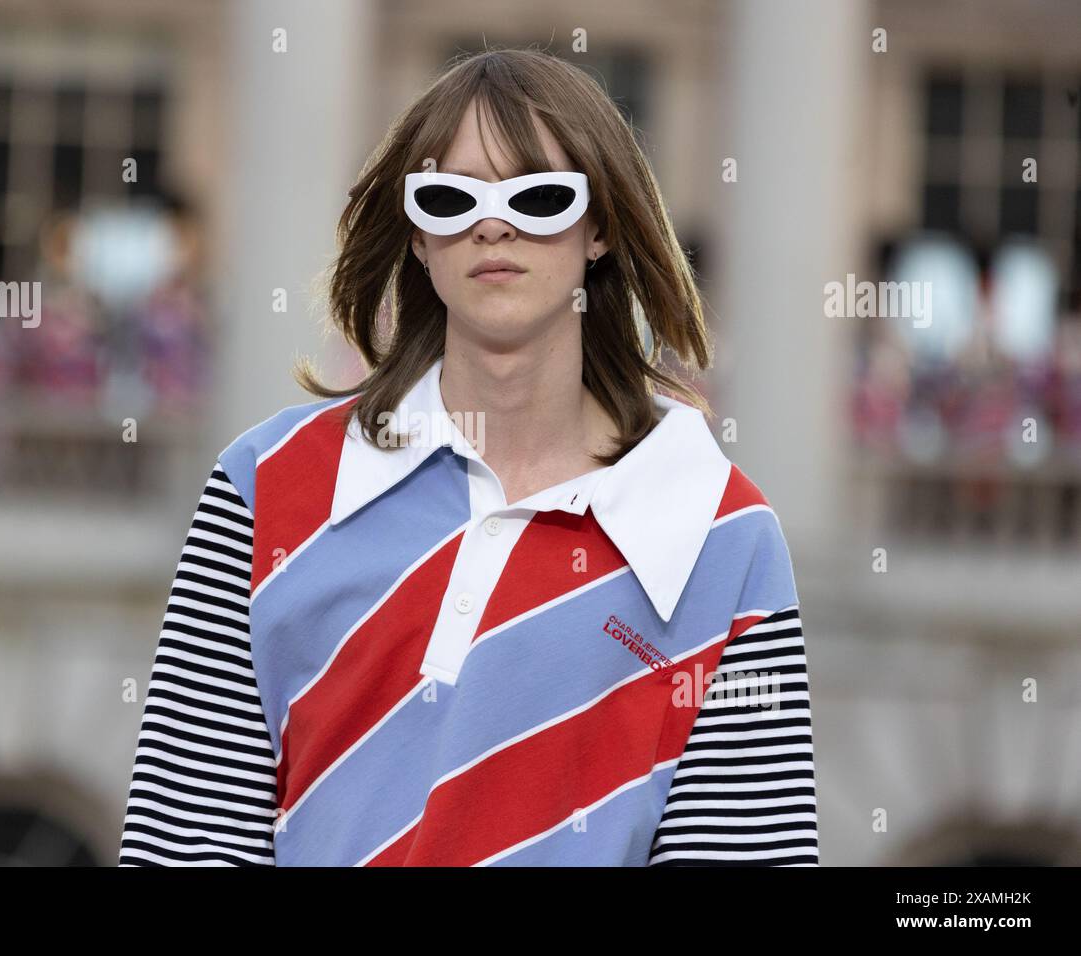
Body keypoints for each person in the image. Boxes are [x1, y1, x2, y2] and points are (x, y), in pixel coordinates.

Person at [119, 48, 818, 867]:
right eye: (450, 199)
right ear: (417, 236)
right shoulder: (261, 485)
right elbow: (186, 842)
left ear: (601, 228)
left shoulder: (725, 535)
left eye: (540, 195)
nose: (493, 225)